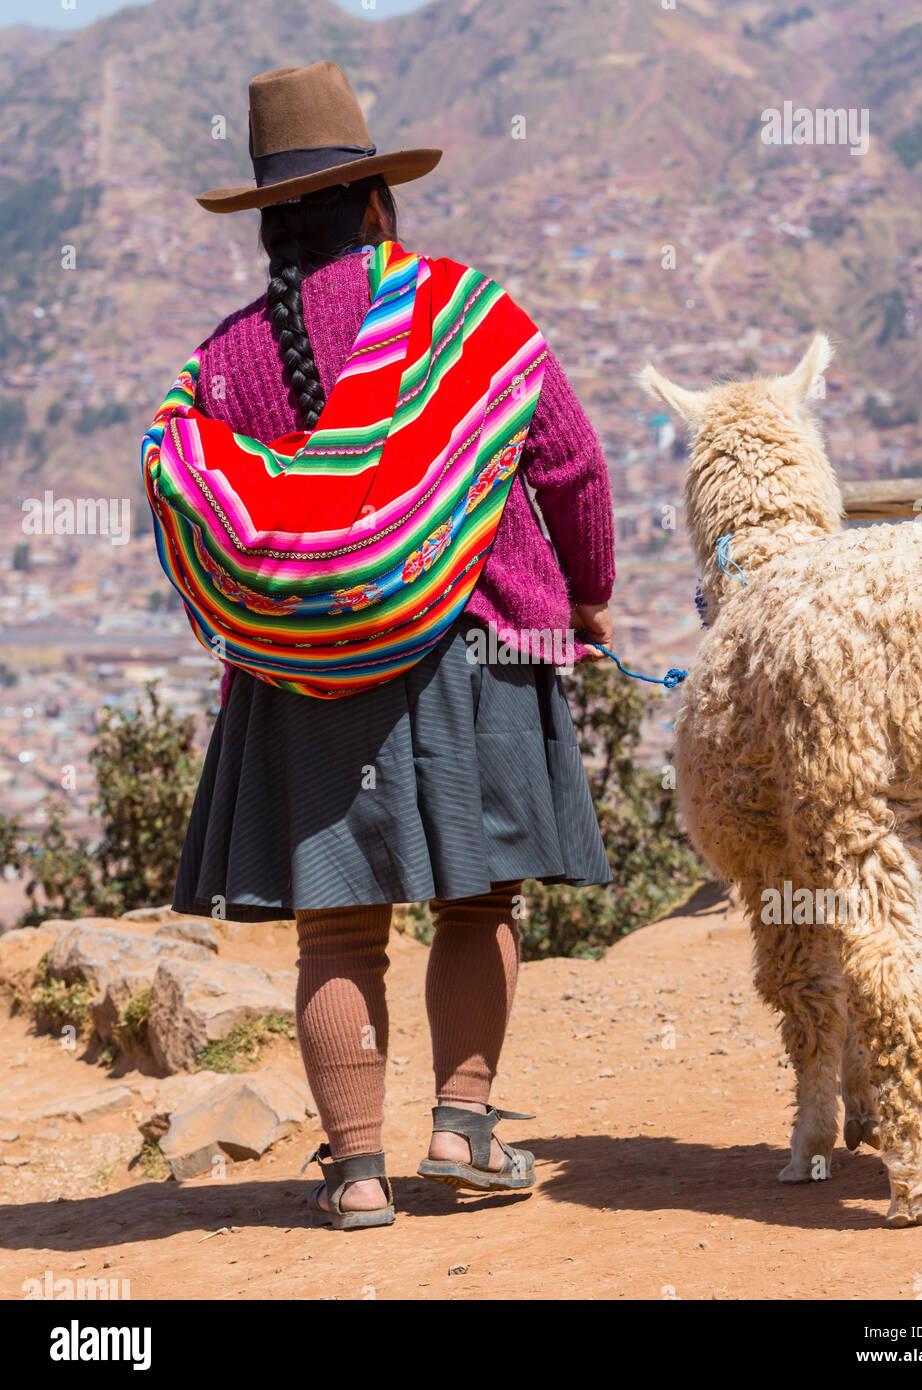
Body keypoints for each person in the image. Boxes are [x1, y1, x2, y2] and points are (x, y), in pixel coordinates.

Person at [167, 61, 615, 1230]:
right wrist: (593, 596)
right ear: (375, 203)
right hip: (480, 650)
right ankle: (463, 1135)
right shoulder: (467, 315)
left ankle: (356, 1172)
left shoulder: (221, 362)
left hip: (306, 681)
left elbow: (199, 517)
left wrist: (268, 636)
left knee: (338, 929)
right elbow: (570, 464)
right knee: (476, 902)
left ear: (270, 221)